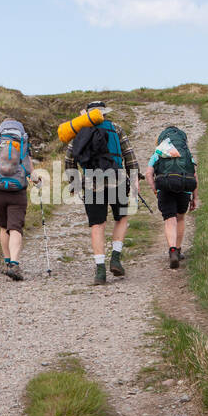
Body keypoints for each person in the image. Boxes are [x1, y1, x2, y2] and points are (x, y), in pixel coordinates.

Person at [63, 100, 140, 285]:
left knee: (97, 225)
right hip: (118, 180)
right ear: (104, 113)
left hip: (91, 182)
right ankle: (115, 258)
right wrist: (135, 181)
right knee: (121, 218)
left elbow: (69, 160)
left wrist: (73, 184)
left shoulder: (79, 132)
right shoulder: (116, 129)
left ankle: (100, 270)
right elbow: (129, 157)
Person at [0, 117, 39, 281]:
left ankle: (7, 263)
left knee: (3, 226)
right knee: (15, 228)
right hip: (17, 191)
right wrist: (37, 181)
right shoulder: (23, 141)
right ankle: (15, 263)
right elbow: (29, 170)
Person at [145, 125, 199, 269]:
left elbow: (149, 174)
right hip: (184, 188)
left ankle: (172, 250)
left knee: (170, 219)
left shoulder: (159, 152)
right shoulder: (186, 153)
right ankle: (179, 249)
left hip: (164, 187)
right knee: (180, 217)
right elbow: (194, 175)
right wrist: (195, 197)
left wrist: (155, 190)